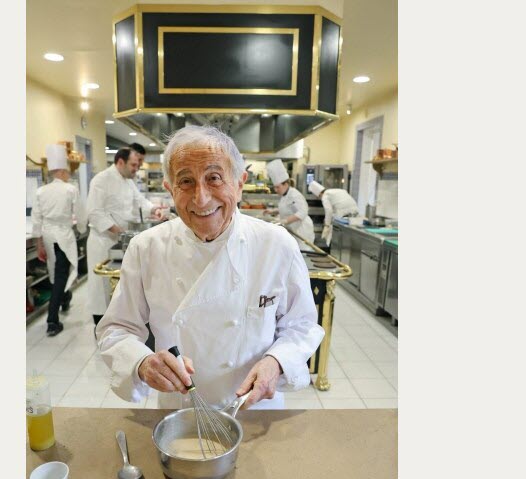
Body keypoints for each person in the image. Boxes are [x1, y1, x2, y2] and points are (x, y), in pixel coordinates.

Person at [97, 125, 324, 411]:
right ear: (170, 189)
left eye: (214, 178)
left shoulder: (277, 245)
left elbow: (302, 325)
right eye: (186, 181)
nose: (201, 198)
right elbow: (116, 329)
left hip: (254, 408)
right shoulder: (146, 248)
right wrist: (141, 362)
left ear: (239, 184)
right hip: (180, 410)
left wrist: (276, 362)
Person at [86, 146, 165, 325]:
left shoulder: (128, 180)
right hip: (103, 241)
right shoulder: (101, 180)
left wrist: (155, 209)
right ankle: (99, 323)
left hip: (120, 241)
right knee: (100, 288)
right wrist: (120, 231)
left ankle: (119, 322)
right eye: (133, 165)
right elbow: (95, 212)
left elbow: (140, 201)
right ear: (120, 162)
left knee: (121, 286)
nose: (137, 168)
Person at [31, 144, 87, 336]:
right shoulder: (70, 189)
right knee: (62, 274)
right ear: (62, 171)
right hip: (64, 235)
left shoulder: (40, 191)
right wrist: (81, 229)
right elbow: (80, 214)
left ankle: (65, 297)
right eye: (67, 172)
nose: (68, 175)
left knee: (56, 273)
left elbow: (36, 219)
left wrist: (38, 244)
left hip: (48, 236)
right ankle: (52, 321)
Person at [264, 159, 315, 248]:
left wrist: (285, 221)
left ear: (286, 184)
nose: (276, 190)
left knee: (302, 252)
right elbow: (287, 208)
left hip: (302, 231)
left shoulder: (294, 195)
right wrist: (272, 211)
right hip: (293, 230)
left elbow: (302, 212)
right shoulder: (285, 195)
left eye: (277, 187)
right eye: (274, 187)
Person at [309, 181, 359, 246]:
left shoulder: (325, 196)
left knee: (332, 232)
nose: (319, 198)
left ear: (319, 194)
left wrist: (327, 225)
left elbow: (329, 211)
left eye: (318, 196)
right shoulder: (337, 190)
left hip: (343, 215)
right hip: (355, 213)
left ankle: (331, 247)